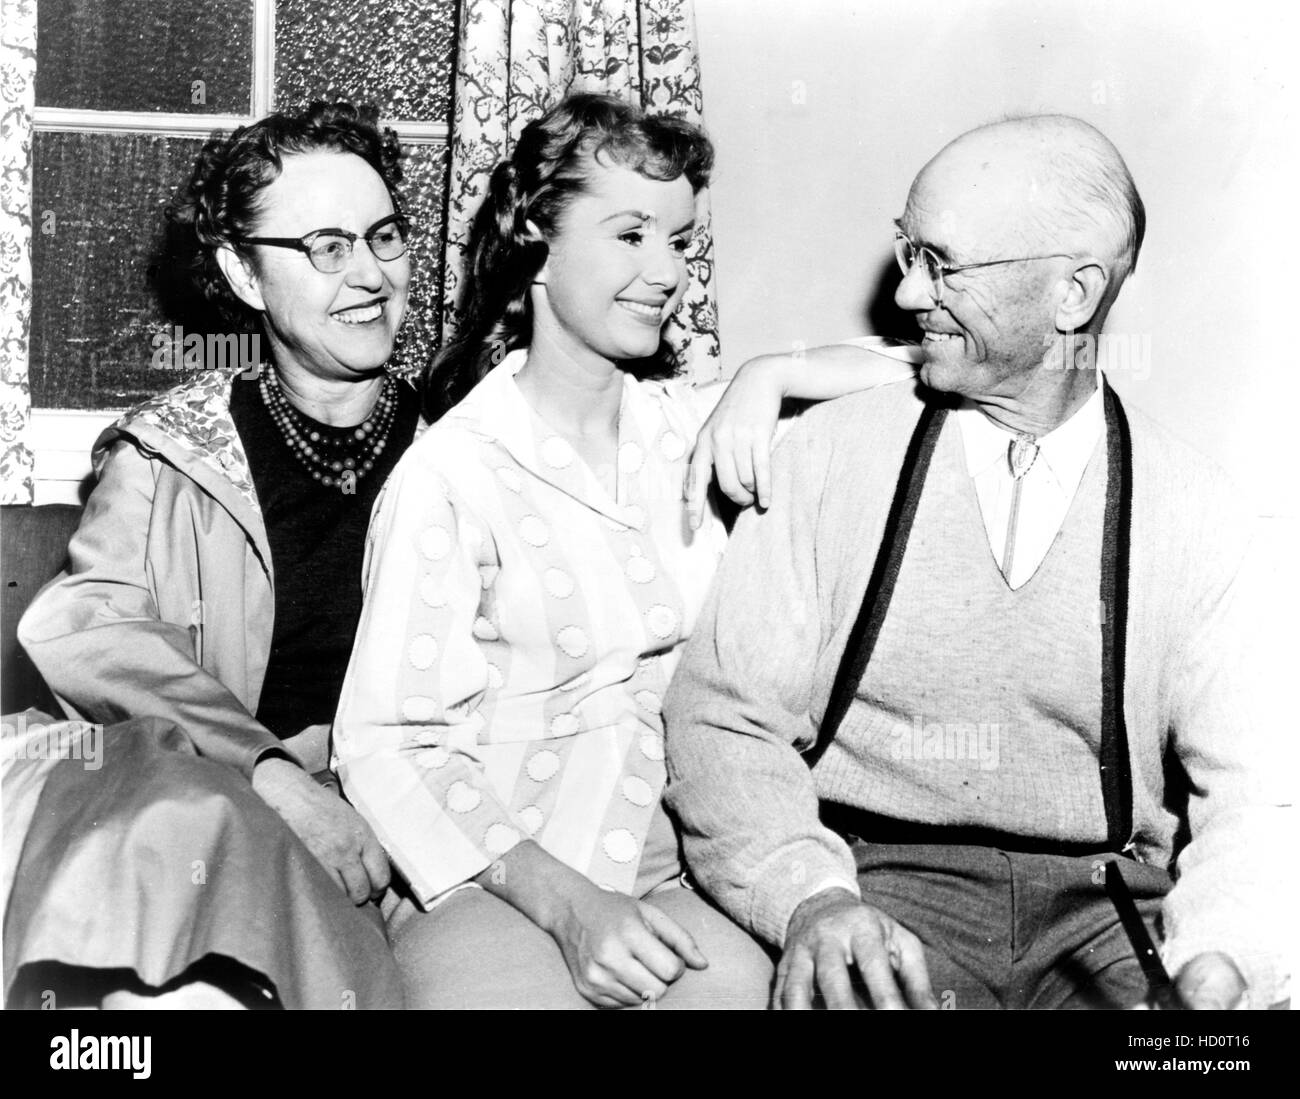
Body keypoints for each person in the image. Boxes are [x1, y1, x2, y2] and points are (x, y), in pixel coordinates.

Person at [663, 114, 1289, 1010]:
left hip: (1115, 910)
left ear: (1072, 296)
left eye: (941, 264)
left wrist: (1226, 954)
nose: (911, 296)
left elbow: (1263, 793)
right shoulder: (825, 458)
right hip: (878, 892)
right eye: (906, 253)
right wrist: (811, 897)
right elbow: (724, 724)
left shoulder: (1199, 512)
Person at [332, 93, 916, 1009]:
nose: (666, 272)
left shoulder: (691, 425)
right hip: (499, 876)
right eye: (630, 234)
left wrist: (771, 375)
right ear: (536, 237)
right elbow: (392, 744)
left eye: (679, 241)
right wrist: (571, 909)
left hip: (677, 873)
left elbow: (925, 372)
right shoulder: (451, 471)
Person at [7, 101, 423, 1008]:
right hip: (213, 795)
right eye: (324, 246)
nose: (368, 275)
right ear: (242, 271)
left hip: (410, 818)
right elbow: (87, 624)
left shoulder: (464, 447)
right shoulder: (169, 450)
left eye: (383, 236)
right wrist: (266, 766)